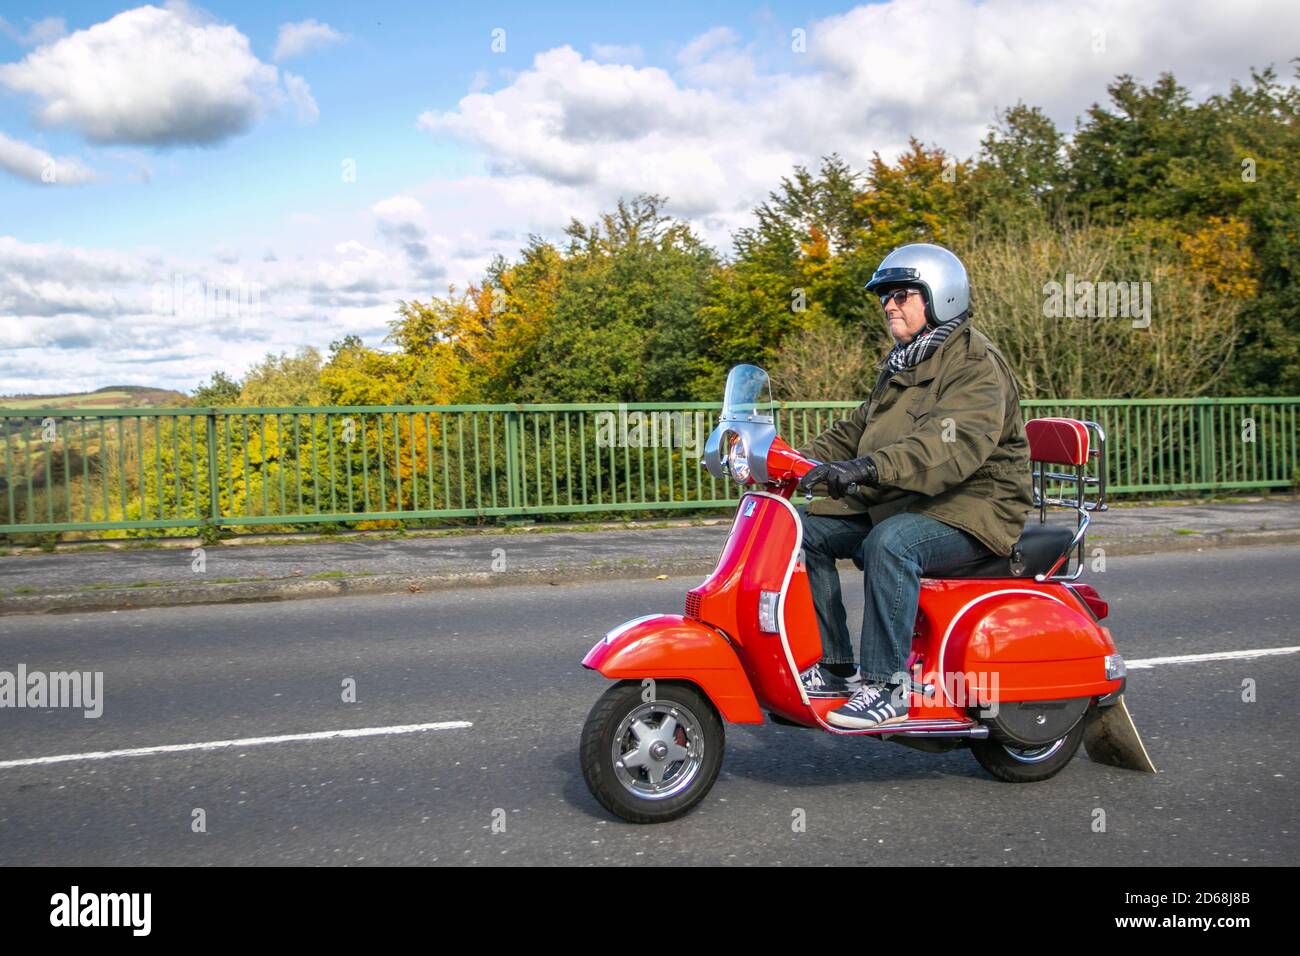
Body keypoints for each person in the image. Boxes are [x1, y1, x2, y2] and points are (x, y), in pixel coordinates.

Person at [795, 242, 1033, 729]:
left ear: (940, 295)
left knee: (892, 542)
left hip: (976, 506)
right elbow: (856, 429)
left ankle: (888, 687)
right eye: (886, 297)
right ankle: (836, 664)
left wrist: (867, 469)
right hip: (916, 498)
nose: (889, 305)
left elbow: (948, 447)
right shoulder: (905, 361)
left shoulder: (975, 363)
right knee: (805, 530)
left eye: (902, 295)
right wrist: (796, 462)